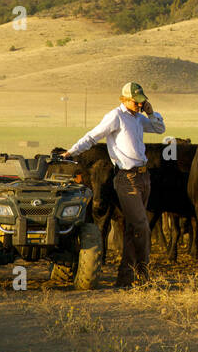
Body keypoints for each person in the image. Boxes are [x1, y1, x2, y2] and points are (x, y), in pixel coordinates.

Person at [63, 82, 165, 287]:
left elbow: (159, 128)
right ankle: (144, 275)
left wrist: (151, 112)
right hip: (126, 178)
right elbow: (93, 136)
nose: (139, 105)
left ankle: (125, 278)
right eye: (136, 102)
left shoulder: (138, 119)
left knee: (131, 229)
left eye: (141, 102)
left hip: (143, 177)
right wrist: (70, 153)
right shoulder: (115, 117)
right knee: (142, 226)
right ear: (125, 99)